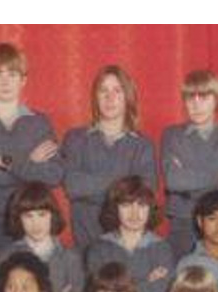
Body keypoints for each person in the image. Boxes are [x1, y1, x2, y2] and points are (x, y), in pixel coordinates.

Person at [0, 42, 64, 245]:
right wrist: (30, 164)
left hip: (28, 223)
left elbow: (54, 175)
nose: (5, 82)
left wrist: (4, 161)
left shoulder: (39, 122)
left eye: (12, 74)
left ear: (24, 80)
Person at [62, 65, 157, 248]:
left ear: (127, 96)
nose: (109, 98)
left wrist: (90, 188)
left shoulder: (142, 144)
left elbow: (146, 191)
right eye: (103, 91)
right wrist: (124, 185)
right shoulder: (75, 138)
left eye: (117, 91)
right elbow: (72, 185)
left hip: (129, 243)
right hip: (86, 239)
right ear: (95, 97)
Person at [161, 70, 218, 258]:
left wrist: (189, 185)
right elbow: (173, 181)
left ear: (217, 99)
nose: (196, 104)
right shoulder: (172, 135)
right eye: (190, 97)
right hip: (183, 230)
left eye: (204, 97)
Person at [85, 176, 174, 292]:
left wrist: (117, 287)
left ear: (150, 209)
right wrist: (146, 281)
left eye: (141, 205)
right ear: (115, 208)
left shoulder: (161, 247)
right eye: (126, 205)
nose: (134, 213)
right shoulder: (99, 248)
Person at [0, 182, 85, 292]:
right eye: (28, 216)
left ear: (52, 216)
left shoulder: (70, 256)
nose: (36, 224)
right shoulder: (7, 255)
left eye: (42, 215)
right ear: (18, 219)